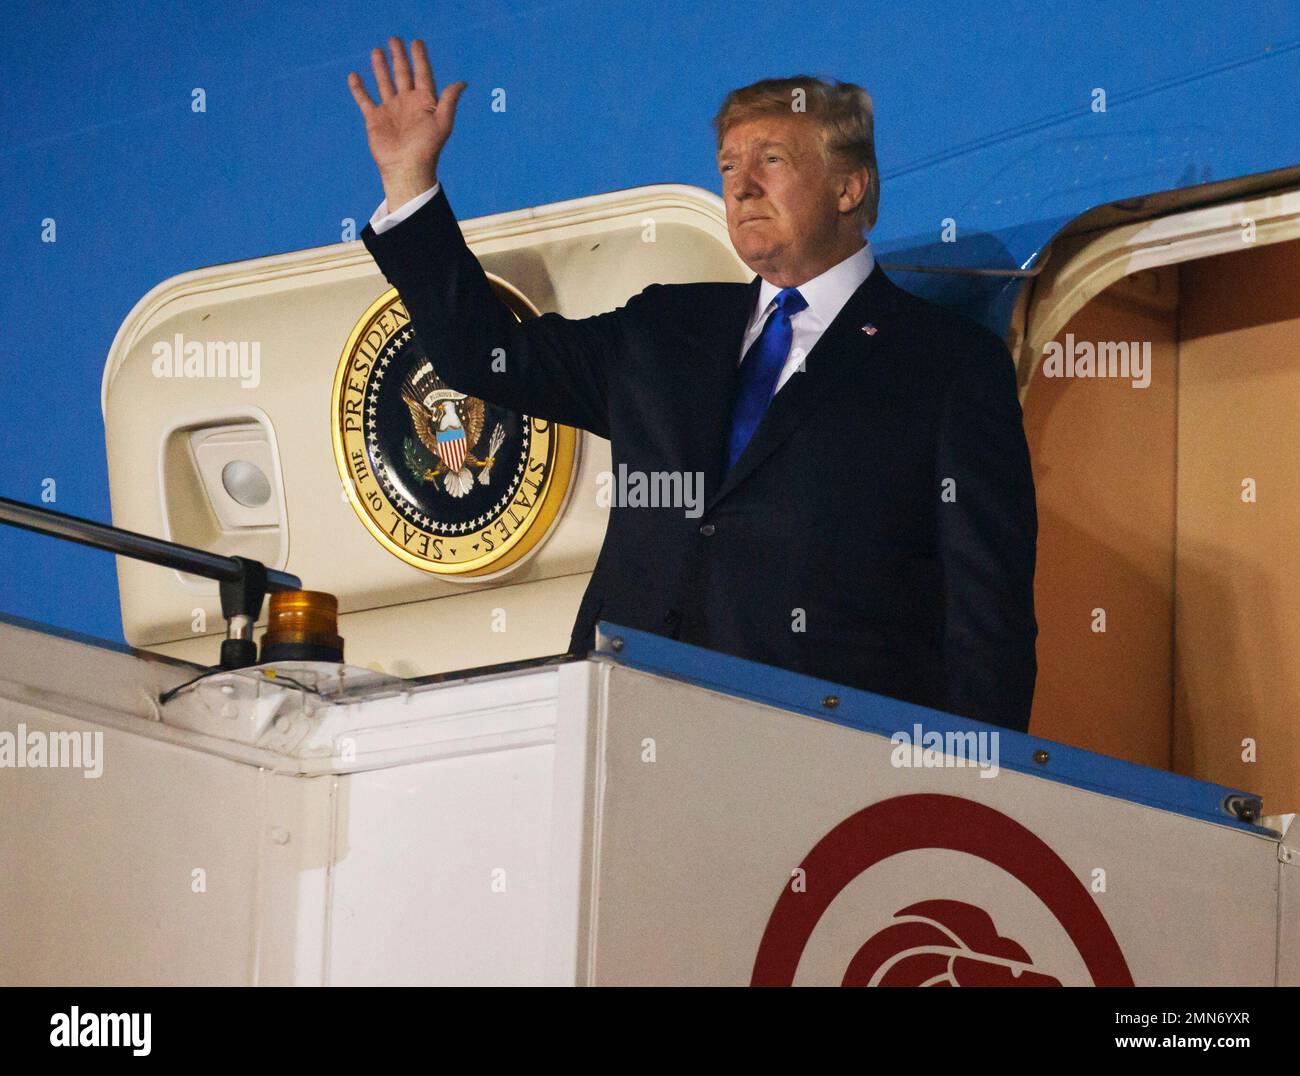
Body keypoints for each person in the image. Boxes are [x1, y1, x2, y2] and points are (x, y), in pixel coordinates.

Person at [349, 38, 1039, 732]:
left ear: (848, 186)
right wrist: (411, 185)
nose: (740, 186)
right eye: (729, 166)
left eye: (771, 159)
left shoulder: (948, 365)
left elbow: (989, 626)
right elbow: (484, 356)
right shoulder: (664, 328)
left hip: (825, 770)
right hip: (624, 737)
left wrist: (966, 795)